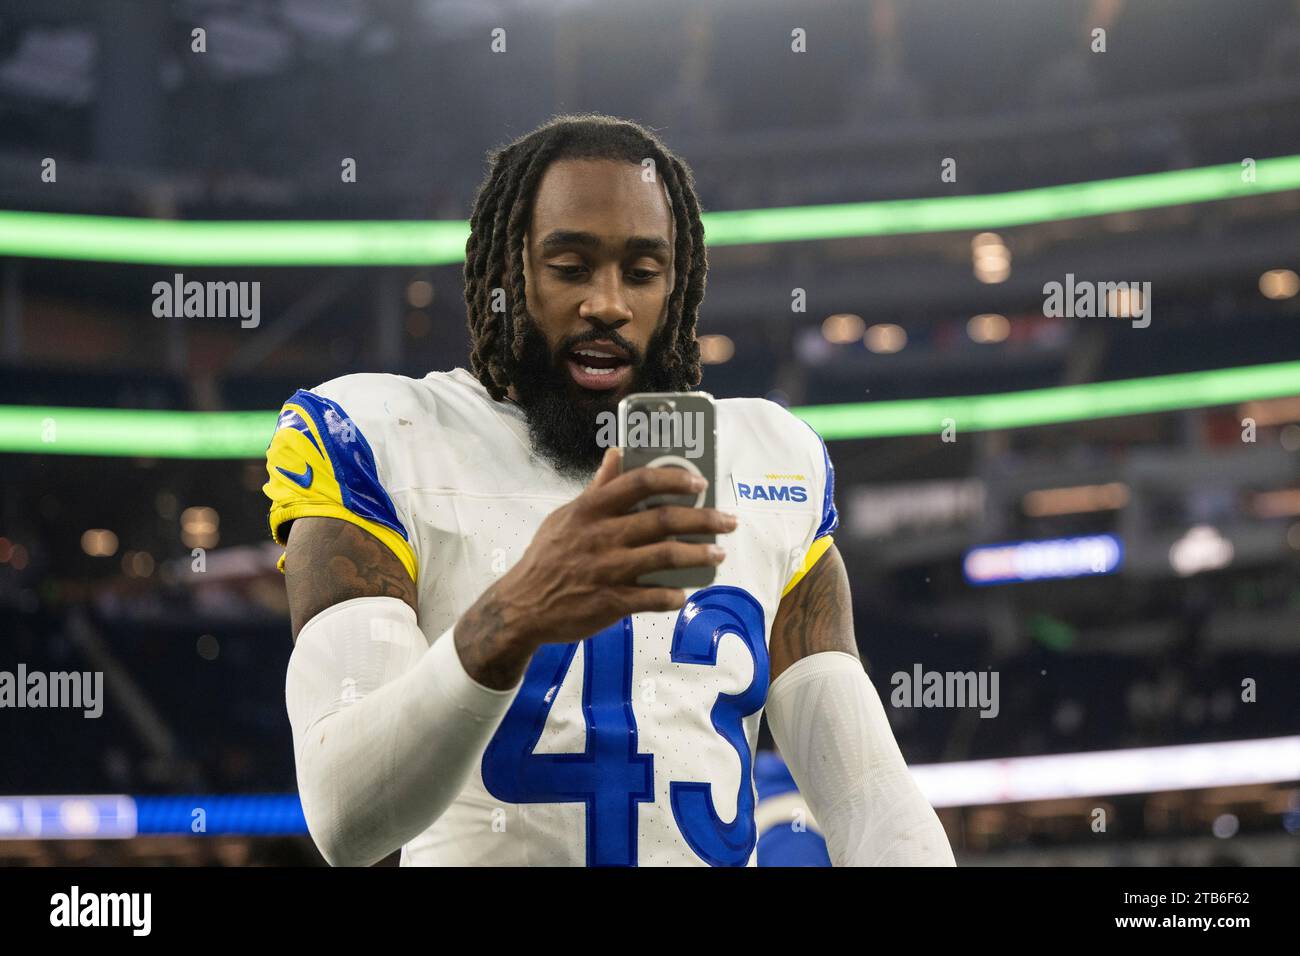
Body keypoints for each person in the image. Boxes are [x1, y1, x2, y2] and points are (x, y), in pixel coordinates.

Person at [263, 113, 953, 867]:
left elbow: (871, 802)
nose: (608, 304)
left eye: (642, 271)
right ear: (506, 272)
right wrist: (515, 612)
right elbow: (345, 817)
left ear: (676, 287)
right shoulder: (381, 435)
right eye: (570, 266)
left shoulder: (768, 461)